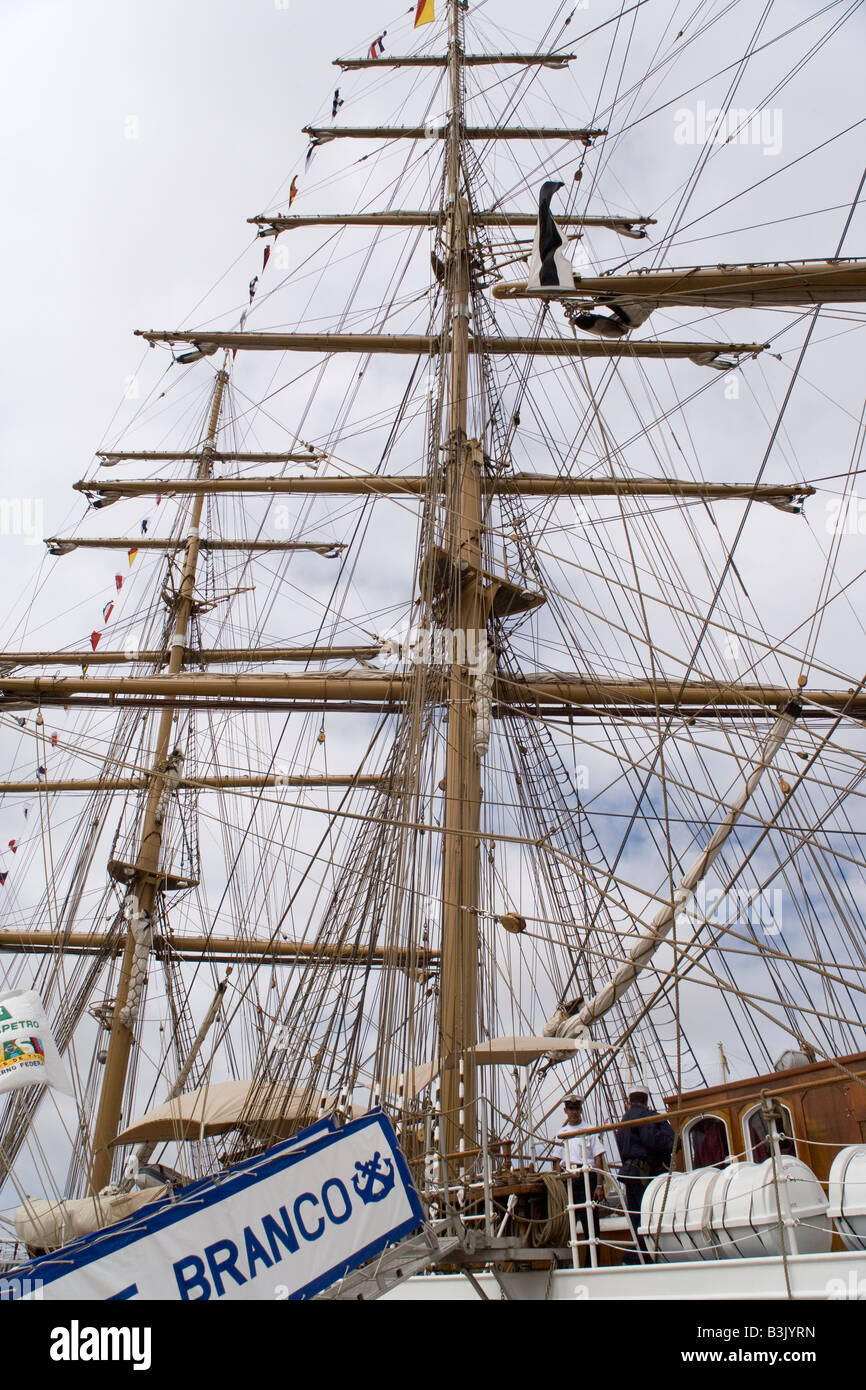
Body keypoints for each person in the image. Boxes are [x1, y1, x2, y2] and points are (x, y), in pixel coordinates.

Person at [616, 1087, 675, 1265]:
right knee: (649, 1216)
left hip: (629, 1174)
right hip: (645, 1175)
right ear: (646, 1100)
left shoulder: (624, 1120)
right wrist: (674, 1142)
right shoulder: (646, 1116)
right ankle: (643, 1258)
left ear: (629, 1100)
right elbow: (653, 1141)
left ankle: (636, 1257)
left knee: (637, 1219)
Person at [555, 1095, 606, 1264]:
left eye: (576, 1109)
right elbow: (556, 1161)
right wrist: (558, 1184)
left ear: (581, 1110)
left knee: (590, 1222)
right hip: (569, 1179)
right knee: (566, 1223)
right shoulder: (561, 1133)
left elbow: (598, 1159)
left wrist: (599, 1185)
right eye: (571, 1109)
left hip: (587, 1177)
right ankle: (565, 1262)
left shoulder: (590, 1130)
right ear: (565, 1111)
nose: (574, 1112)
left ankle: (592, 1263)